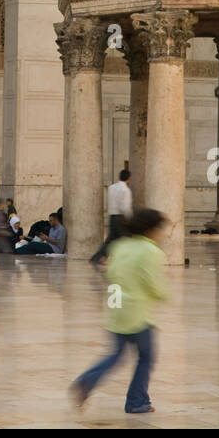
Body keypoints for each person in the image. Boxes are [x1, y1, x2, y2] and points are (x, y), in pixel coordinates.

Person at [70, 208, 168, 414]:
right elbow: (151, 283)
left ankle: (86, 381)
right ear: (151, 230)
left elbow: (111, 274)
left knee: (116, 354)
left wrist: (114, 306)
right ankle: (136, 402)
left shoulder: (120, 246)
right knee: (146, 357)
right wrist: (163, 295)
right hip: (138, 314)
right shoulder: (151, 251)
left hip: (116, 309)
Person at [91, 168, 133, 265]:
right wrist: (130, 218)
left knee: (111, 240)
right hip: (121, 218)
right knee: (126, 239)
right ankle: (127, 259)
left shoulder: (112, 187)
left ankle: (97, 257)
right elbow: (125, 206)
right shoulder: (125, 190)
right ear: (128, 178)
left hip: (112, 216)